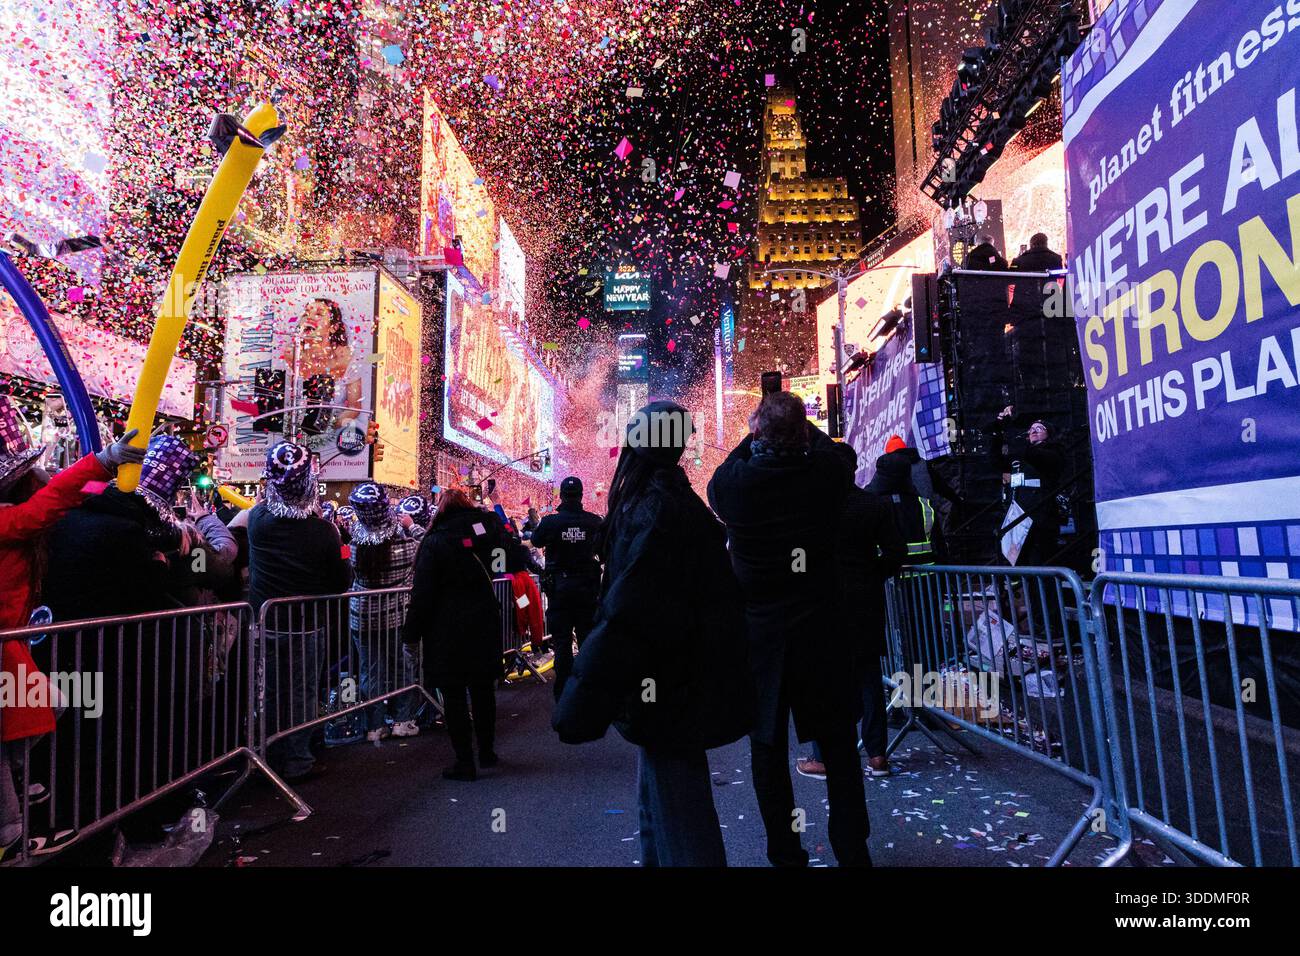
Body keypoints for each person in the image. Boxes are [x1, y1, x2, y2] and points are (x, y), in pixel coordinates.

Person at [555, 401, 752, 867]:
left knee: (681, 819)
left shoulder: (657, 511)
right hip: (674, 686)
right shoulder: (674, 504)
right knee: (661, 807)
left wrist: (581, 702)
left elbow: (630, 617)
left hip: (672, 690)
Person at [707, 391, 872, 867]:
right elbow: (840, 457)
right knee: (839, 744)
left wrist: (755, 431)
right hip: (821, 629)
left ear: (757, 433)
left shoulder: (735, 485)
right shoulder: (824, 476)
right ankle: (851, 847)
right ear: (804, 432)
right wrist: (801, 430)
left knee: (767, 746)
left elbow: (720, 478)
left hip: (762, 635)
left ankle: (783, 847)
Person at [0, 398, 144, 859]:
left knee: (46, 706)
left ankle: (21, 784)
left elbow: (58, 500)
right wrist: (99, 462)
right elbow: (42, 508)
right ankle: (13, 833)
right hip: (3, 642)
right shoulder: (11, 518)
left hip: (9, 640)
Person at [797, 443, 907, 781]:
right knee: (869, 677)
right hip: (864, 602)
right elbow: (895, 552)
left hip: (823, 603)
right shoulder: (872, 505)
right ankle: (877, 756)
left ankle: (822, 756)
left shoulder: (813, 509)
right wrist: (870, 574)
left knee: (824, 679)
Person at [247, 441, 351, 780]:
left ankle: (269, 756)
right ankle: (297, 759)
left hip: (266, 620)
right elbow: (339, 580)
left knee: (269, 692)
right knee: (302, 692)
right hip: (306, 625)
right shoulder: (324, 532)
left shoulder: (259, 520)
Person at [41, 434, 200, 622]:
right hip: (103, 627)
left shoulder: (69, 513)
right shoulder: (137, 530)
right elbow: (207, 571)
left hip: (55, 621)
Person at [404, 488, 503, 781]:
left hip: (446, 630)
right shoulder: (487, 532)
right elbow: (504, 556)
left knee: (455, 695)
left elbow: (423, 593)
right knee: (484, 690)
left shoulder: (434, 542)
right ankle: (487, 751)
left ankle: (464, 761)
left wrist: (412, 632)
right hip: (483, 621)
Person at [346, 483, 420, 742]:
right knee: (401, 668)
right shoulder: (406, 546)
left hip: (362, 617)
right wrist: (411, 525)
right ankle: (403, 720)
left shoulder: (355, 546)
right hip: (397, 615)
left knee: (370, 672)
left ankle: (374, 725)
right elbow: (427, 540)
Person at [530, 476, 602, 699]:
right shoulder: (593, 522)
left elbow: (536, 541)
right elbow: (604, 549)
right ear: (581, 496)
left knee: (561, 642)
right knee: (586, 638)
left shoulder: (551, 522)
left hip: (560, 589)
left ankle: (563, 691)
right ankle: (587, 688)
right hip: (586, 590)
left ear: (561, 496)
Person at [989, 406, 1065, 567]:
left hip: (1039, 517)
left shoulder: (1053, 452)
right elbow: (995, 460)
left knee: (1039, 561)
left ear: (1048, 434)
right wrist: (998, 429)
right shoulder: (1021, 457)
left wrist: (1011, 426)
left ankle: (1042, 591)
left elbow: (1030, 453)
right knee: (1019, 562)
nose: (1033, 431)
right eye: (1031, 429)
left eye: (1039, 428)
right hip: (1018, 515)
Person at [866, 441, 937, 567]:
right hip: (926, 577)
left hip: (888, 577)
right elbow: (939, 545)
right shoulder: (924, 506)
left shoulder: (872, 505)